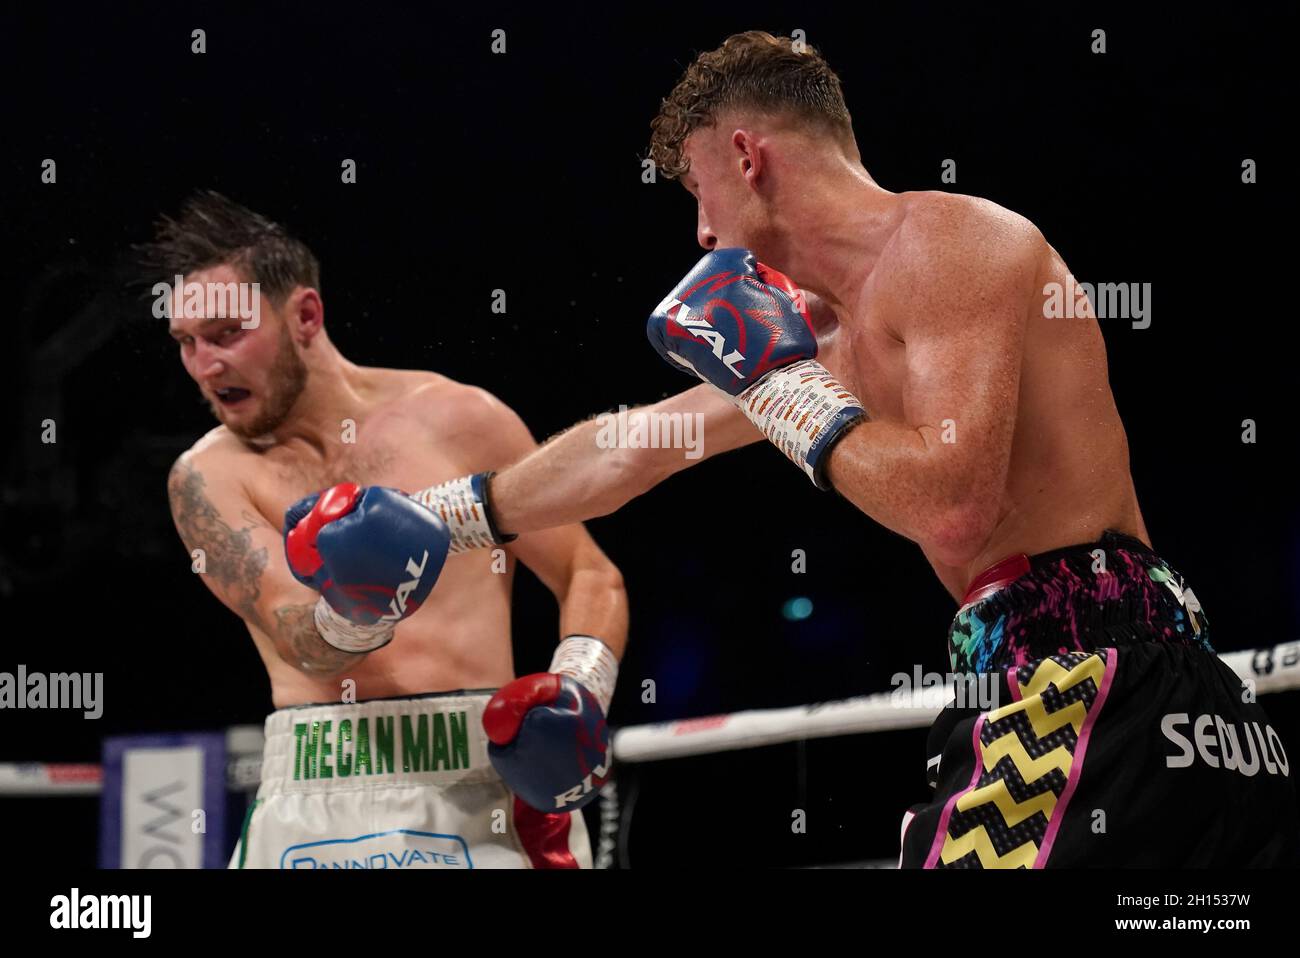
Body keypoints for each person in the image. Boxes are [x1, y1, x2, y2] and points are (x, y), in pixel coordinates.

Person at [384, 31, 1297, 866]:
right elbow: (631, 449)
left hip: (1093, 677)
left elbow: (952, 502)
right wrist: (439, 519)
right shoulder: (815, 339)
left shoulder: (948, 242)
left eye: (699, 192)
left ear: (745, 156)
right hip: (1105, 683)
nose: (701, 235)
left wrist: (780, 389)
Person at [151, 192, 627, 869]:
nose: (205, 365)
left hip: (484, 785)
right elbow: (303, 642)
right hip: (314, 792)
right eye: (187, 344)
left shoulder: (461, 418)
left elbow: (588, 572)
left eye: (227, 334)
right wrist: (359, 606)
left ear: (306, 316)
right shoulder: (207, 476)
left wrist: (579, 692)